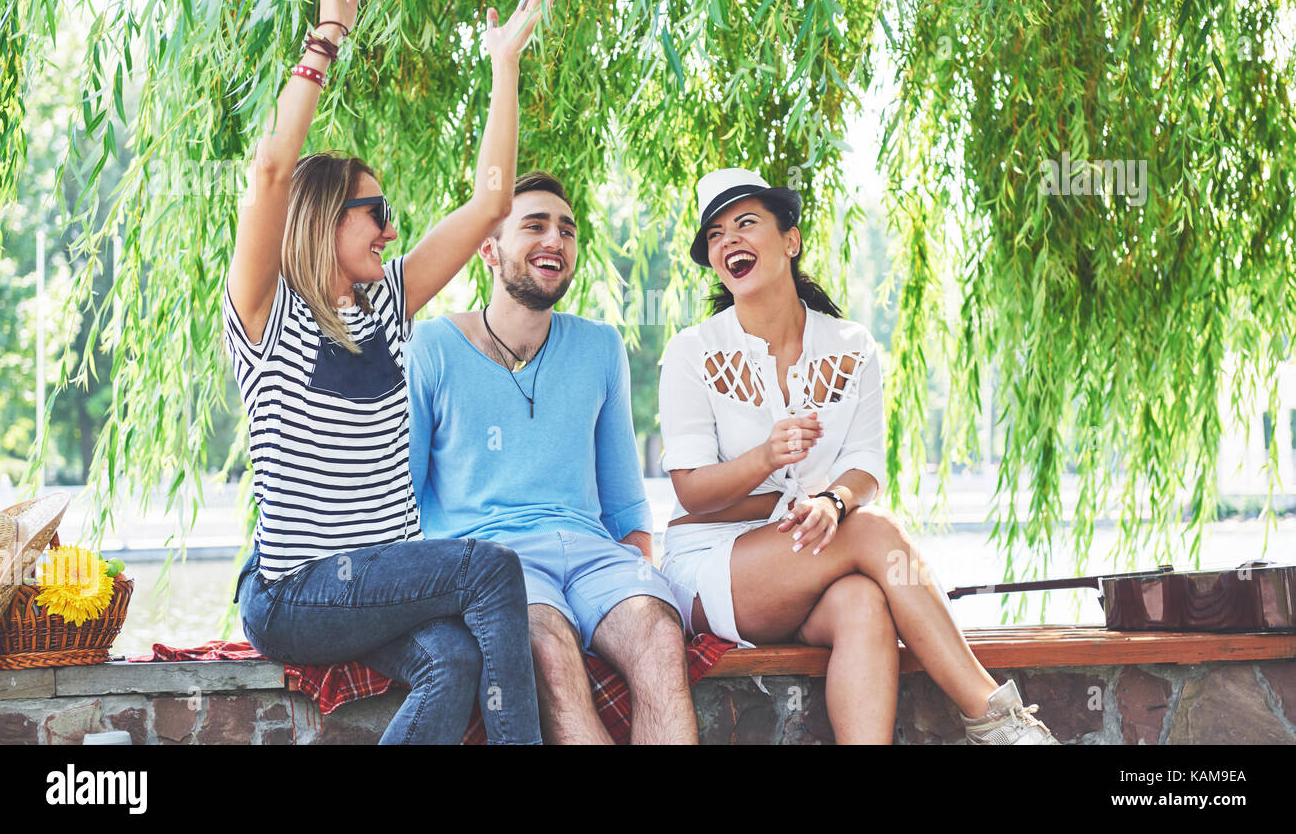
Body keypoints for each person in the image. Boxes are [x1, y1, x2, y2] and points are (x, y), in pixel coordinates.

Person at [225, 0, 552, 744]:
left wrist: (503, 67)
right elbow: (270, 170)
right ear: (325, 217)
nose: (391, 226)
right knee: (490, 567)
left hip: (368, 583)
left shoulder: (387, 305)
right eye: (375, 211)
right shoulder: (268, 314)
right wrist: (323, 41)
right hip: (297, 590)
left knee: (454, 660)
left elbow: (489, 203)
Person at [656, 167, 1059, 745]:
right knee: (873, 533)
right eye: (715, 235)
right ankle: (997, 721)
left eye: (746, 223)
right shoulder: (694, 352)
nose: (728, 242)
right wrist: (766, 457)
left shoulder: (851, 346)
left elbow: (866, 465)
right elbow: (690, 489)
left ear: (789, 241)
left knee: (865, 603)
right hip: (715, 566)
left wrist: (832, 500)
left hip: (814, 552)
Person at [406, 171, 698, 744]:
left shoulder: (599, 346)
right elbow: (402, 497)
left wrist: (638, 574)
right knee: (548, 650)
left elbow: (624, 500)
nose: (554, 241)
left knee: (661, 638)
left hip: (592, 557)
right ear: (489, 248)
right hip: (494, 564)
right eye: (533, 226)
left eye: (566, 230)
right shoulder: (430, 347)